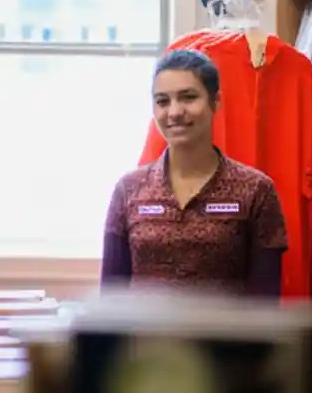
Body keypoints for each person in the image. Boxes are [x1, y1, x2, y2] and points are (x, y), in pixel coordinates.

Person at [101, 49, 287, 297]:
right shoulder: (129, 189)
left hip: (224, 335)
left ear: (215, 102)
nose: (175, 112)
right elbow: (111, 300)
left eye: (188, 97)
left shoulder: (255, 190)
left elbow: (265, 307)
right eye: (162, 101)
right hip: (146, 336)